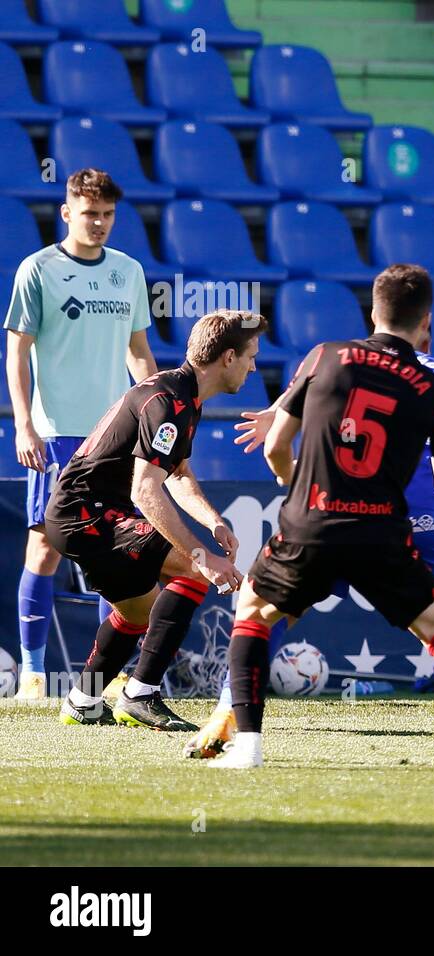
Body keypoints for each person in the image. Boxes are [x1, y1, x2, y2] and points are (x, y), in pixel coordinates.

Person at [187, 277, 434, 766]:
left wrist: (294, 478)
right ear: (427, 323)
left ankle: (235, 725)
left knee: (264, 612)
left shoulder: (327, 357)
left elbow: (278, 441)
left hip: (319, 517)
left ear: (372, 314)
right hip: (395, 524)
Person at [46, 310, 258, 730]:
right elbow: (145, 490)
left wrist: (212, 521)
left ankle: (83, 700)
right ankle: (140, 695)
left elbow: (175, 474)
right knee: (195, 573)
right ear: (228, 357)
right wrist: (201, 555)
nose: (254, 366)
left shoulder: (181, 395)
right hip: (86, 515)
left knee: (139, 613)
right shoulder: (170, 401)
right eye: (251, 356)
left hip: (86, 514)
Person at [5, 169, 156, 699]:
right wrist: (24, 424)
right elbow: (17, 352)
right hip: (57, 434)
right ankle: (32, 671)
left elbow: (138, 351)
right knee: (43, 549)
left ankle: (104, 677)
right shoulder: (38, 269)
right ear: (67, 212)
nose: (100, 224)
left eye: (108, 215)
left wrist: (158, 416)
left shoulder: (129, 271)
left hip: (113, 436)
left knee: (113, 555)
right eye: (90, 214)